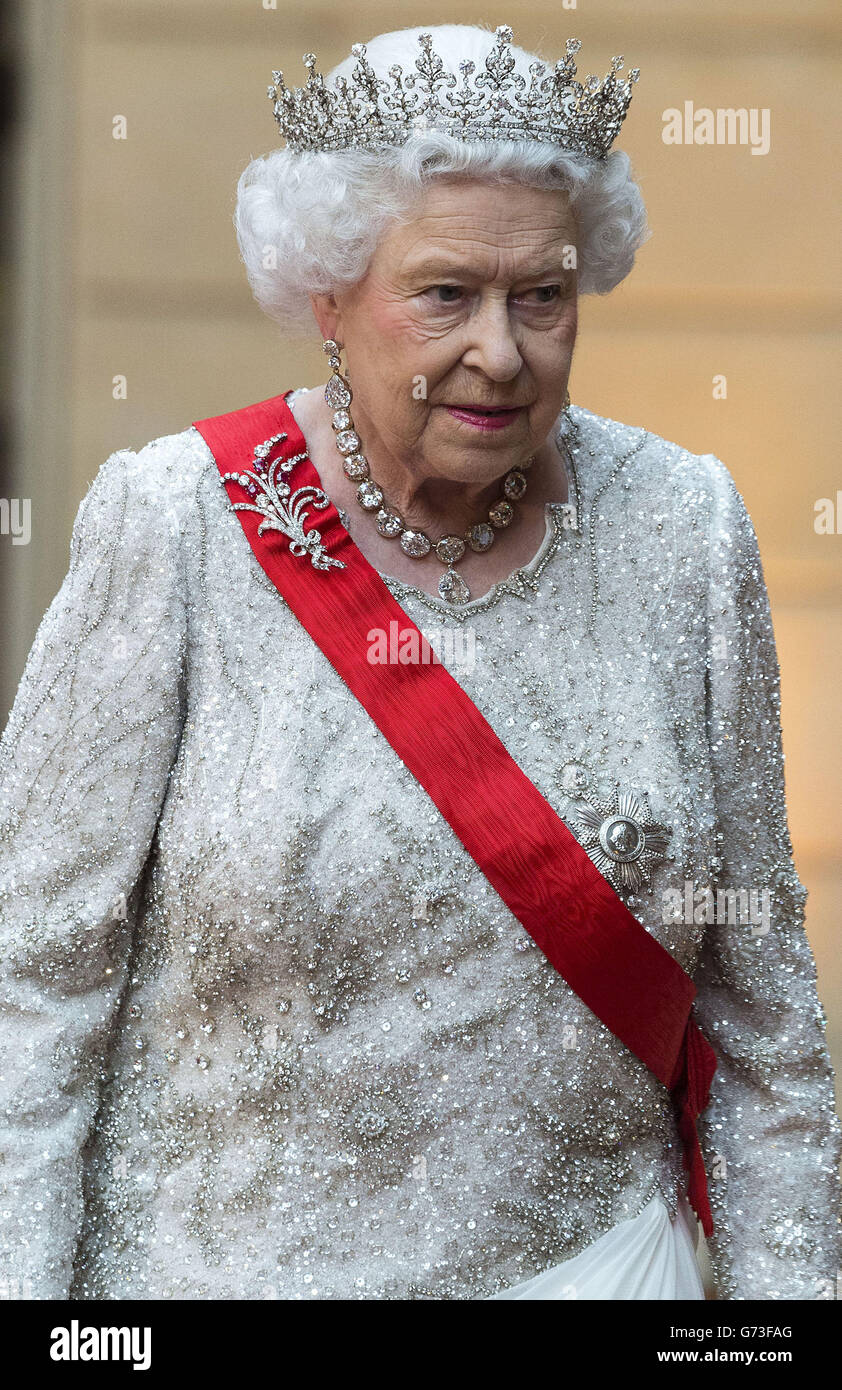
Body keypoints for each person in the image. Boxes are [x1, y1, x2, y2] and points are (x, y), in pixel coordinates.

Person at [0, 23, 838, 1301]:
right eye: (445, 293)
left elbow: (764, 1024)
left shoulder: (682, 528)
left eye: (540, 296)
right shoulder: (172, 526)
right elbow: (32, 994)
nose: (500, 351)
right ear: (329, 295)